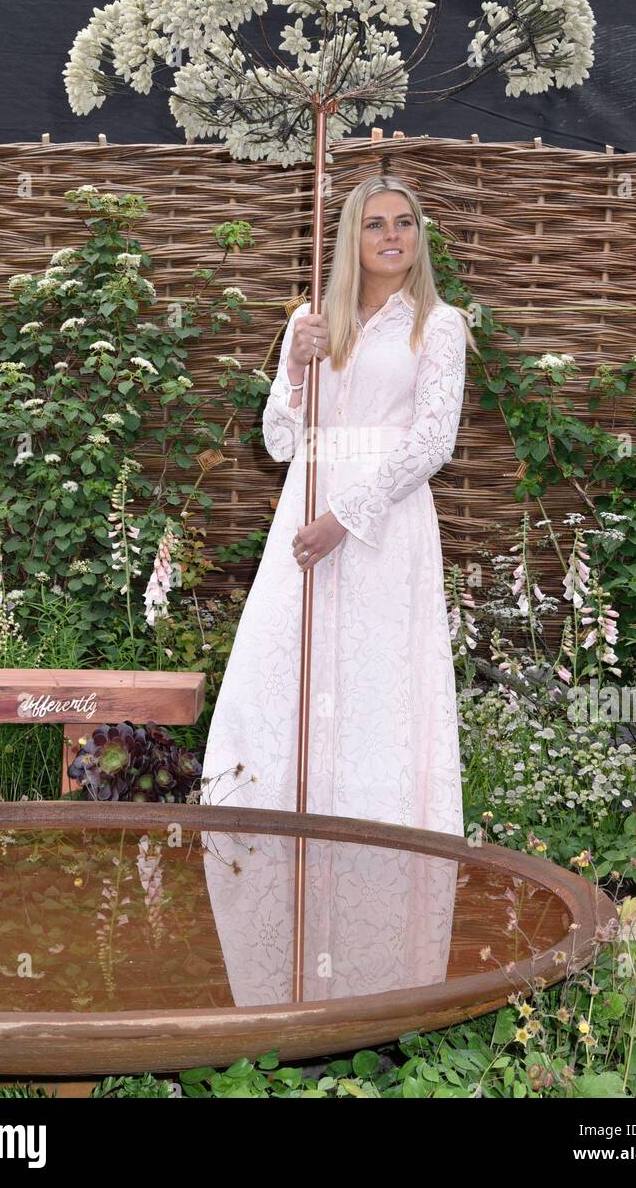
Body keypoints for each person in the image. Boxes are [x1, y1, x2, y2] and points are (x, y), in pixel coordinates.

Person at [198, 174, 473, 837]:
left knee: (375, 678)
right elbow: (279, 441)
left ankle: (380, 841)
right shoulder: (312, 321)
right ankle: (273, 835)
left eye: (403, 222)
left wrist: (344, 518)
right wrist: (293, 365)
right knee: (285, 662)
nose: (390, 236)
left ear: (419, 236)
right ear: (351, 236)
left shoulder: (438, 325)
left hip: (385, 522)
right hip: (304, 510)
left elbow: (433, 440)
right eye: (374, 224)